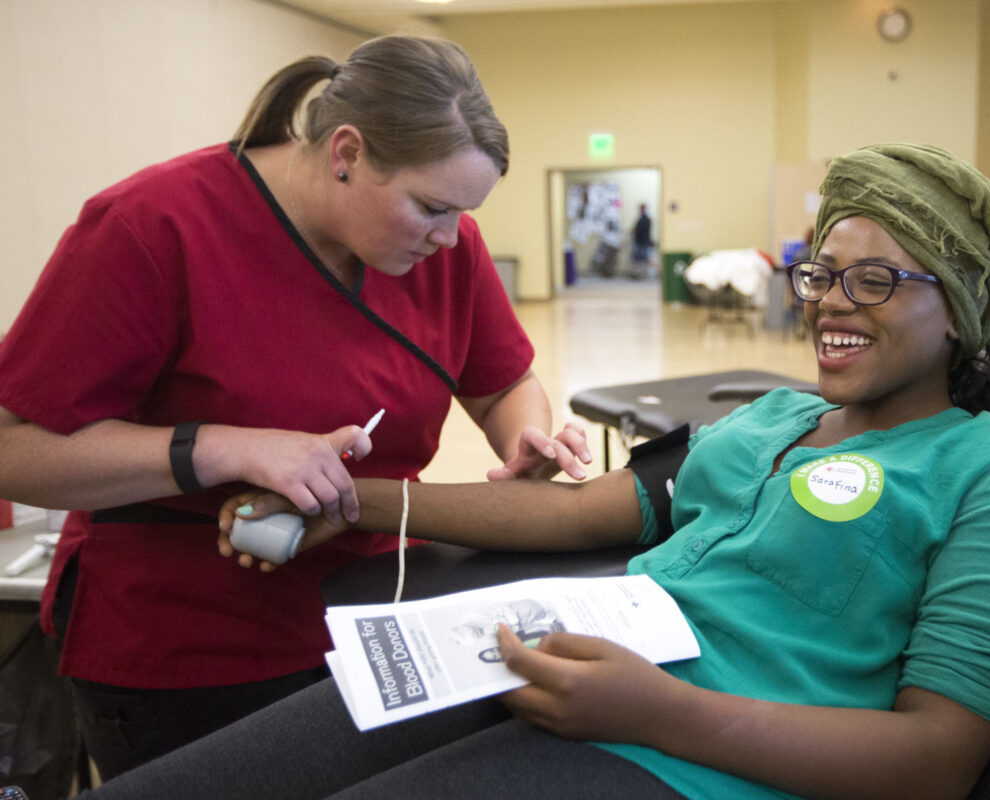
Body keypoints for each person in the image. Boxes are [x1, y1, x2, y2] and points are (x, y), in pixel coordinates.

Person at [78, 143, 990, 800]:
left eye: (876, 279)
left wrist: (663, 712)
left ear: (962, 307)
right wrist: (350, 500)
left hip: (690, 760)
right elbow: (577, 513)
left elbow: (938, 759)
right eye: (822, 273)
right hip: (572, 672)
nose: (832, 302)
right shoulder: (775, 418)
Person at [0, 35, 591, 781]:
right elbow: (14, 449)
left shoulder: (446, 249)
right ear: (347, 152)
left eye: (462, 214)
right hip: (186, 650)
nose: (450, 238)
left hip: (376, 616)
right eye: (431, 208)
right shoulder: (153, 228)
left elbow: (502, 382)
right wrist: (221, 448)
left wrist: (524, 436)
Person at [630, 202, 655, 279]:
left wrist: (633, 231)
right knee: (639, 259)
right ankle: (639, 274)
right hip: (641, 241)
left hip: (642, 242)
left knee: (642, 259)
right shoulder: (643, 219)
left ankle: (641, 274)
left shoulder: (645, 219)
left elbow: (639, 230)